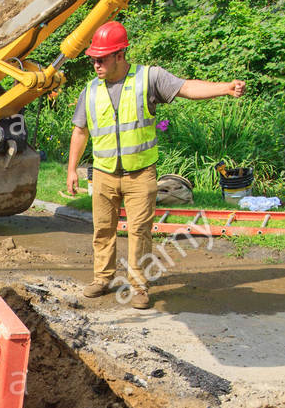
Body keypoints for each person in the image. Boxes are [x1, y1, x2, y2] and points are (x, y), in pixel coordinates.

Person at [66, 21, 246, 309]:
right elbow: (80, 131)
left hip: (140, 173)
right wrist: (72, 168)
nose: (95, 64)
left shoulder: (148, 78)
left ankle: (138, 286)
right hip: (103, 173)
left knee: (139, 231)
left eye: (101, 58)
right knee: (102, 229)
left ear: (120, 55)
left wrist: (223, 88)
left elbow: (186, 88)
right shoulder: (90, 90)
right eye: (93, 59)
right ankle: (102, 278)